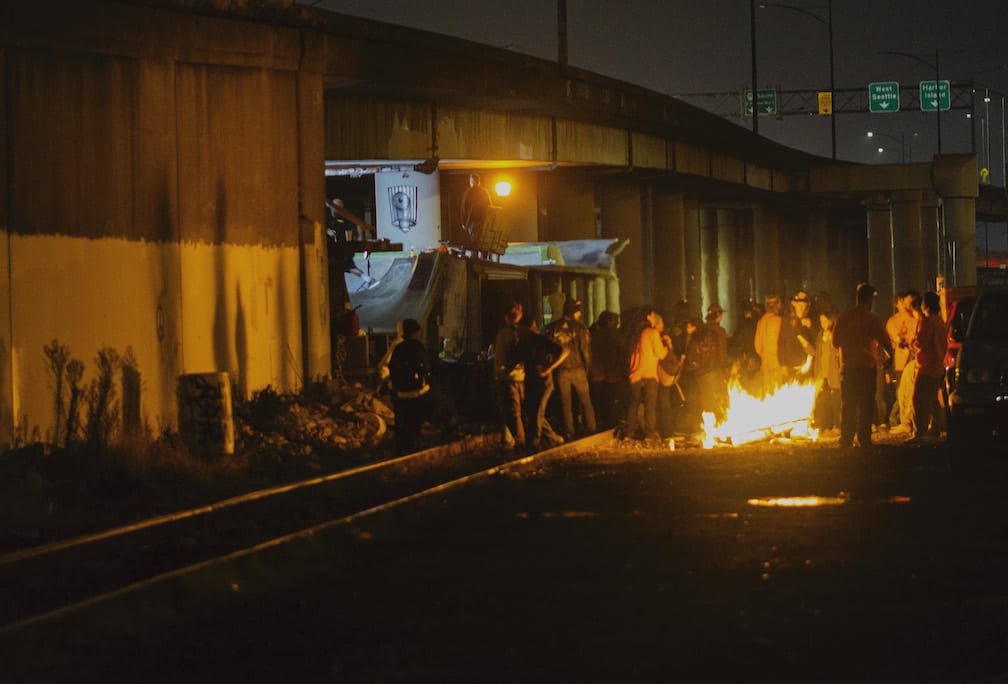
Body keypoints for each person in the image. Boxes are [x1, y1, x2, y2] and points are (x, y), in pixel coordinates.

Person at [832, 282, 893, 448]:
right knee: (866, 404)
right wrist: (889, 358)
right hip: (866, 368)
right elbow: (885, 341)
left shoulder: (844, 317)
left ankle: (846, 438)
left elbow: (835, 342)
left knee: (848, 404)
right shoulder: (872, 319)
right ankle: (864, 438)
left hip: (848, 367)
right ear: (869, 300)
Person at [544, 298, 597, 440]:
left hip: (561, 370)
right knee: (586, 401)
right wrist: (588, 369)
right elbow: (586, 352)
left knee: (565, 403)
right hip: (578, 369)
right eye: (578, 312)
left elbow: (549, 352)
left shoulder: (552, 329)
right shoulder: (581, 328)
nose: (580, 314)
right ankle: (591, 428)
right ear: (573, 312)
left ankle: (569, 431)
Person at [623, 308, 671, 441]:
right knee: (650, 406)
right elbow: (660, 354)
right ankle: (650, 434)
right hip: (650, 375)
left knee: (633, 404)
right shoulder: (652, 333)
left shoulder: (636, 334)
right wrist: (667, 345)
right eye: (662, 323)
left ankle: (628, 433)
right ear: (656, 323)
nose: (662, 327)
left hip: (635, 375)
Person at [909, 291, 948, 443]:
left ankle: (920, 432)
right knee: (933, 400)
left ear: (926, 306)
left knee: (918, 399)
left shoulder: (927, 321)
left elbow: (921, 343)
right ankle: (935, 429)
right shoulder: (940, 321)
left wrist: (911, 343)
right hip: (938, 365)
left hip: (926, 367)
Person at [387, 318, 431, 455]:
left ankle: (401, 449)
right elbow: (426, 368)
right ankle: (414, 448)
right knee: (415, 423)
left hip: (401, 393)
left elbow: (391, 368)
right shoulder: (418, 347)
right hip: (417, 392)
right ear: (416, 332)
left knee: (402, 423)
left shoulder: (398, 348)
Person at [493, 301, 530, 450]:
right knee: (523, 410)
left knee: (512, 412)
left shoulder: (504, 334)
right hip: (523, 377)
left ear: (506, 317)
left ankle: (520, 442)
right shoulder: (525, 332)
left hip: (508, 378)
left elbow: (501, 358)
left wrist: (502, 373)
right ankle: (527, 438)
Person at [326, 198, 378, 290]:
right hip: (334, 248)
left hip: (343, 248)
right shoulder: (329, 220)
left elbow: (358, 225)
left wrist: (360, 237)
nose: (334, 209)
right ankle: (368, 279)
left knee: (347, 266)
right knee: (345, 267)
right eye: (334, 207)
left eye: (337, 207)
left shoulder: (345, 219)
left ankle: (369, 279)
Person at [885, 290, 917, 434]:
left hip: (913, 361)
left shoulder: (914, 318)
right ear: (897, 303)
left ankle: (905, 421)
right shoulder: (892, 322)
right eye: (902, 301)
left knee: (911, 393)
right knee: (901, 393)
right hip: (900, 362)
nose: (904, 304)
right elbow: (894, 341)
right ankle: (898, 420)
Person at [698, 303, 729, 423]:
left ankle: (708, 423)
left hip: (703, 372)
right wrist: (725, 368)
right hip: (716, 370)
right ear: (717, 315)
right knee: (719, 396)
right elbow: (722, 352)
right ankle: (720, 422)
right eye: (720, 314)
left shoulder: (701, 330)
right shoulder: (720, 331)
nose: (722, 317)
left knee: (706, 398)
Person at [812, 309, 842, 434]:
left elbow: (839, 354)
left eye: (825, 321)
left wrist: (831, 341)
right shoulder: (820, 336)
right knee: (823, 401)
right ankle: (824, 425)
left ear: (831, 321)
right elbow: (816, 353)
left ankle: (837, 426)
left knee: (836, 402)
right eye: (821, 322)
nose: (823, 324)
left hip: (833, 374)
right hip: (822, 374)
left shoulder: (836, 335)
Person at [778, 290, 817, 382]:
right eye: (800, 305)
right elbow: (781, 342)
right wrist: (783, 364)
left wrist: (811, 328)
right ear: (794, 304)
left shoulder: (810, 321)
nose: (802, 308)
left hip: (806, 368)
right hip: (790, 367)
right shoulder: (786, 321)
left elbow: (816, 343)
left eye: (804, 306)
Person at [754, 294, 784, 397]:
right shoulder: (779, 321)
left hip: (765, 365)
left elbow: (757, 346)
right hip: (777, 365)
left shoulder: (760, 322)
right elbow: (783, 343)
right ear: (777, 305)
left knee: (768, 395)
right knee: (778, 395)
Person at [460, 173, 492, 256]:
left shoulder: (467, 193)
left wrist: (463, 223)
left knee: (474, 243)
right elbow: (489, 206)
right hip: (484, 221)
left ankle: (474, 259)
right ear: (479, 182)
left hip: (472, 222)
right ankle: (484, 259)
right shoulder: (484, 192)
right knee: (483, 242)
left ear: (471, 182)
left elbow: (464, 209)